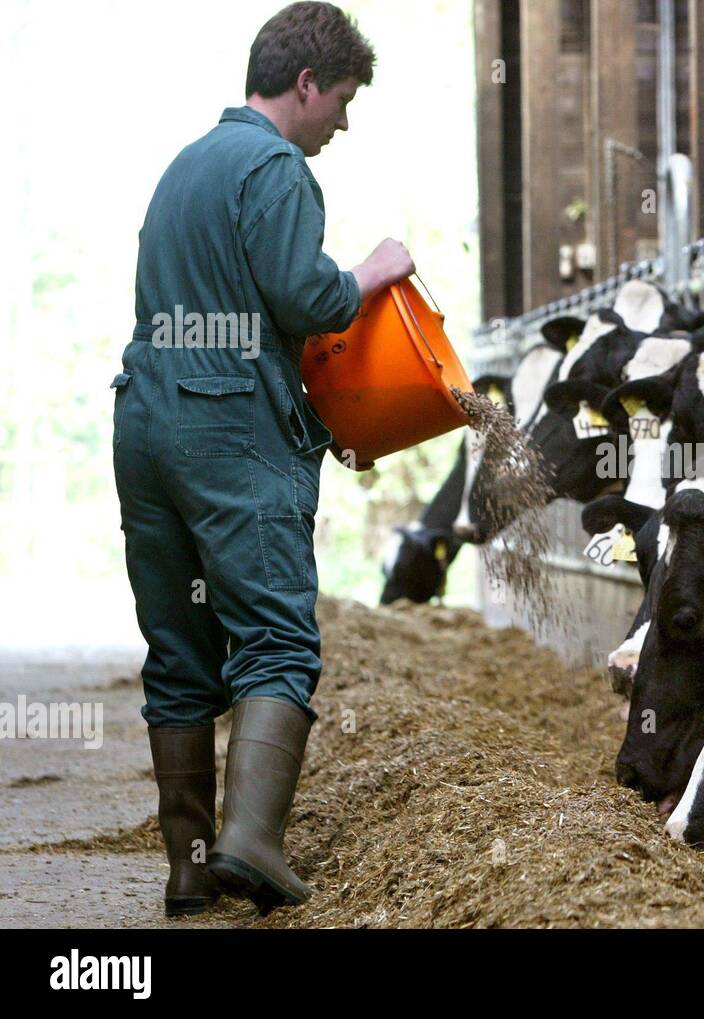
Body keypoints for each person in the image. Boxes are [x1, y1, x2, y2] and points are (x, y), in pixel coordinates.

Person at [111, 1, 413, 916]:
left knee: (178, 650)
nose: (344, 123)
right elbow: (307, 297)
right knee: (277, 637)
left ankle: (189, 863)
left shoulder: (184, 165)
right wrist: (374, 270)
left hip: (144, 423)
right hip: (228, 427)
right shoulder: (275, 166)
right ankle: (250, 839)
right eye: (344, 100)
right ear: (307, 83)